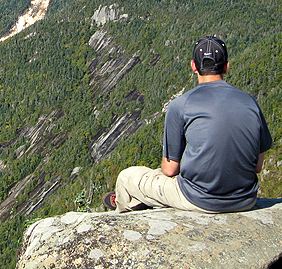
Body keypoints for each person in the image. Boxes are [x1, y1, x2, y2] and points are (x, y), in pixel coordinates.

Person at [104, 36, 272, 213]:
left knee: (126, 177)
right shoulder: (250, 102)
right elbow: (257, 166)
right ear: (226, 67)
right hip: (245, 200)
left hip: (198, 199)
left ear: (193, 66)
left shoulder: (181, 105)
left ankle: (124, 214)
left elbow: (170, 170)